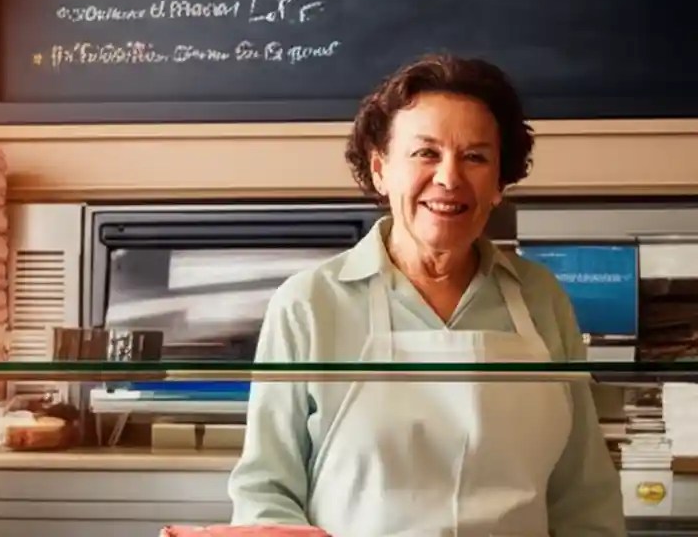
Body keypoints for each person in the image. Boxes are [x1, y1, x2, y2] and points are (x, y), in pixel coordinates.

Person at [228, 54, 626, 536]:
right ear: (380, 170)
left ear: (500, 183)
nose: (449, 179)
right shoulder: (310, 303)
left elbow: (583, 495)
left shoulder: (541, 299)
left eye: (475, 157)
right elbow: (266, 494)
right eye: (426, 153)